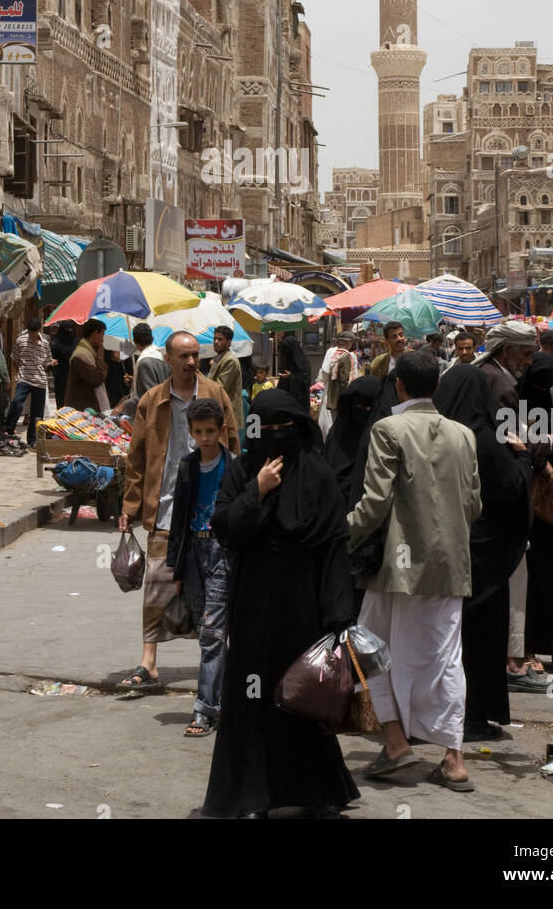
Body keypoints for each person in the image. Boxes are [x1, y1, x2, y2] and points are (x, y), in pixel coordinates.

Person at [202, 389, 359, 819]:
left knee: (306, 697)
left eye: (282, 430)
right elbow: (225, 528)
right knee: (252, 699)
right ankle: (252, 797)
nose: (275, 438)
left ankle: (317, 791)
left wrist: (339, 616)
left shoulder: (319, 475)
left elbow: (333, 546)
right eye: (266, 430)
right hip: (253, 606)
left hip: (303, 607)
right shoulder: (243, 471)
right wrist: (257, 490)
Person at [348, 351, 481, 790]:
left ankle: (395, 740)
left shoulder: (388, 429)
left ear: (399, 386)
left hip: (397, 567)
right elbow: (473, 504)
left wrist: (339, 540)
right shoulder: (464, 435)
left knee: (370, 649)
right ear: (436, 387)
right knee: (445, 658)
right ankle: (454, 758)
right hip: (449, 566)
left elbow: (374, 502)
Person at [118, 332, 235, 691]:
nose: (190, 362)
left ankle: (218, 665)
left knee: (213, 586)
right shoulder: (152, 401)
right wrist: (130, 505)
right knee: (156, 583)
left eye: (195, 355)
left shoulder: (216, 394)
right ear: (167, 360)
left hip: (210, 511)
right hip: (165, 507)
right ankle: (148, 662)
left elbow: (234, 446)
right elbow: (136, 458)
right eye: (183, 356)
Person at [434, 365, 531, 740]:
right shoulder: (486, 439)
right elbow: (509, 487)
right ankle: (472, 716)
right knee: (480, 638)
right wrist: (522, 457)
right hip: (484, 556)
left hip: (443, 552)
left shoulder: (438, 435)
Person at [474, 319, 541, 692]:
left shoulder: (487, 376)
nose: (530, 361)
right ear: (505, 351)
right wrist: (536, 449)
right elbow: (509, 443)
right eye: (526, 353)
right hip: (498, 498)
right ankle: (512, 662)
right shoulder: (500, 384)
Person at [166, 398, 234, 737]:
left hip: (222, 553)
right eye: (198, 432)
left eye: (210, 431)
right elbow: (179, 516)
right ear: (190, 433)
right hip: (193, 552)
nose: (205, 438)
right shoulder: (187, 466)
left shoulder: (235, 466)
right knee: (208, 633)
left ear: (221, 429)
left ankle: (204, 709)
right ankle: (220, 700)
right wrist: (175, 567)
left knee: (211, 634)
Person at [516, 352, 553, 671]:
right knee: (535, 578)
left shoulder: (548, 396)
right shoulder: (519, 400)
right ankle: (530, 648)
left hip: (546, 502)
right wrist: (543, 453)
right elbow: (521, 439)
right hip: (528, 500)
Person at [323, 375, 384, 508]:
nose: (366, 412)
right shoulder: (338, 433)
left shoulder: (382, 437)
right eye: (361, 407)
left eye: (370, 408)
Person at [5, 317, 55, 447]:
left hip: (40, 382)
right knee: (17, 402)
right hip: (24, 379)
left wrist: (39, 370)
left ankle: (32, 440)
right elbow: (14, 358)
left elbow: (47, 362)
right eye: (30, 332)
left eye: (34, 332)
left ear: (38, 330)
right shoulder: (20, 340)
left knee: (37, 413)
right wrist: (19, 372)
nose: (32, 335)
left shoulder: (44, 343)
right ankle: (8, 429)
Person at [64, 319, 107, 411]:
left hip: (87, 406)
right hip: (83, 408)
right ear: (95, 334)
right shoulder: (81, 355)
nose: (103, 340)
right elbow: (96, 379)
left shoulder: (89, 353)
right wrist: (100, 359)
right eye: (102, 335)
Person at [207, 326, 243, 435]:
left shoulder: (229, 360)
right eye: (215, 339)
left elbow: (219, 387)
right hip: (219, 414)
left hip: (227, 416)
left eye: (220, 339)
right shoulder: (219, 359)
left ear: (229, 342)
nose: (216, 342)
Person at [131, 322, 171, 400]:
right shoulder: (159, 355)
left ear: (134, 341)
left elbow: (149, 395)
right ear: (152, 338)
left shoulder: (145, 362)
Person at [276, 330, 311, 410]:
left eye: (287, 350)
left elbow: (305, 382)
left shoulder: (303, 365)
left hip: (299, 403)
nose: (285, 354)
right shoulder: (287, 365)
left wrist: (291, 377)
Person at [325, 335, 354, 421]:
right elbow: (344, 380)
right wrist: (347, 396)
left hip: (333, 396)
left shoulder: (336, 355)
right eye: (351, 342)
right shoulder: (345, 356)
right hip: (340, 397)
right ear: (347, 343)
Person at [50, 322, 76, 409]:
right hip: (60, 375)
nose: (69, 331)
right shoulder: (56, 341)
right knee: (61, 398)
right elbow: (52, 356)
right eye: (67, 329)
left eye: (71, 329)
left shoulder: (76, 341)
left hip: (74, 375)